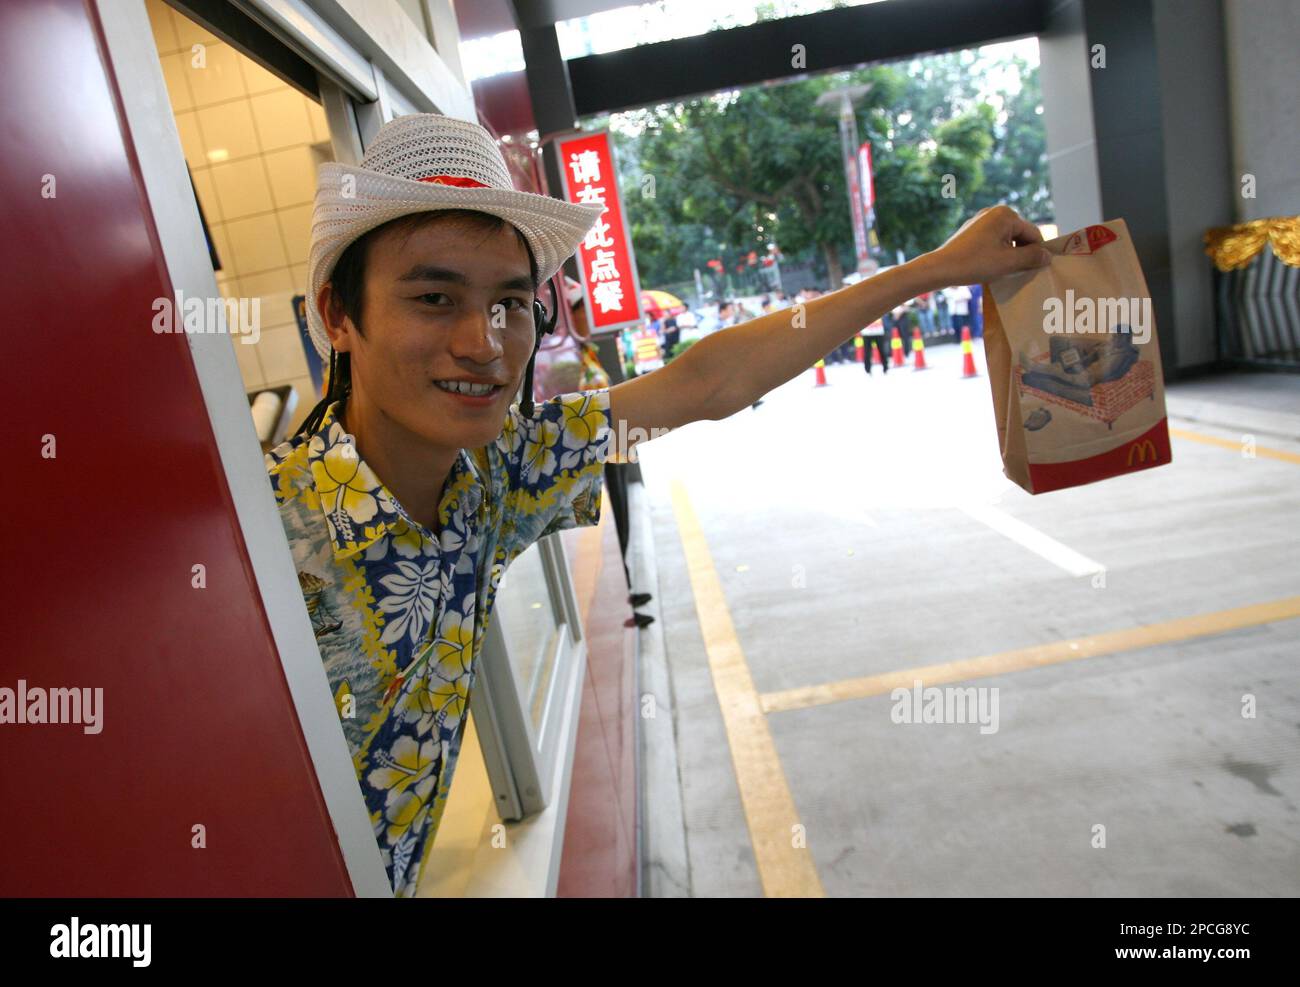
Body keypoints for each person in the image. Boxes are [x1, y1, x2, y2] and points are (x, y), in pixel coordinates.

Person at [269, 111, 1049, 897]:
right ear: (338, 314)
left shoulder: (496, 475)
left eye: (510, 303)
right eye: (435, 297)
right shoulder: (260, 545)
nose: (484, 341)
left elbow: (707, 384)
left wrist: (930, 270)